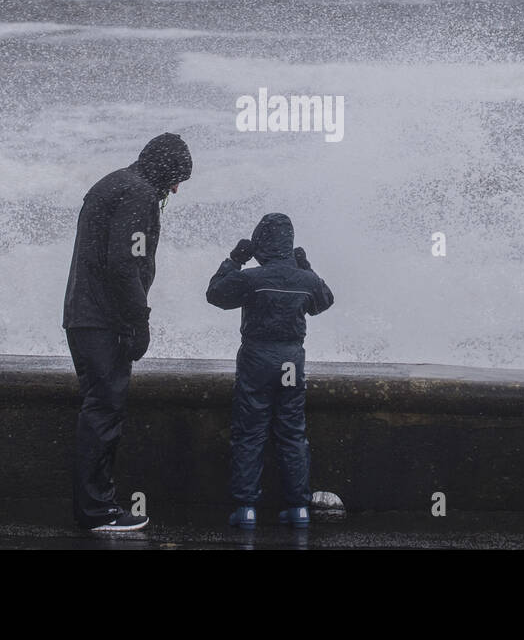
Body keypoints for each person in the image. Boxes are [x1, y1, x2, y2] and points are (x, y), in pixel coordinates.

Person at [63, 132, 192, 532]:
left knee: (96, 409)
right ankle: (97, 511)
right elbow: (124, 263)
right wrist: (139, 321)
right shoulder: (139, 195)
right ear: (164, 171)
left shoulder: (112, 182)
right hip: (106, 323)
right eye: (175, 180)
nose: (173, 189)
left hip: (82, 316)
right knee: (104, 413)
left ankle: (93, 506)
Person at [205, 213, 334, 529]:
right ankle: (299, 508)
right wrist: (306, 267)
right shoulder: (305, 281)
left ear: (261, 243)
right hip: (291, 360)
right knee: (292, 432)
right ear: (289, 245)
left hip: (256, 359)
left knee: (250, 432)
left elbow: (215, 295)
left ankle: (246, 508)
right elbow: (325, 300)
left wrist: (234, 260)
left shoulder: (251, 278)